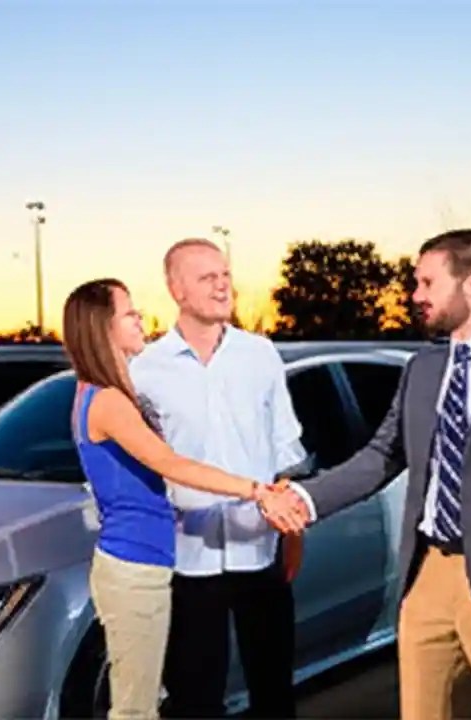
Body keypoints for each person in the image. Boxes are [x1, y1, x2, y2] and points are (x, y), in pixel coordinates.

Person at [269, 229, 471, 720]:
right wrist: (305, 496)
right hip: (426, 578)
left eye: (426, 282)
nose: (415, 295)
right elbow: (382, 454)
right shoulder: (422, 369)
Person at [61, 277, 300, 720]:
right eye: (129, 314)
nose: (140, 320)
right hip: (133, 566)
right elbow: (172, 464)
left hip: (143, 561)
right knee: (136, 709)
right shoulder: (108, 400)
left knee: (146, 701)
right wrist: (254, 489)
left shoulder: (103, 391)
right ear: (103, 327)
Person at [130, 238, 306, 719]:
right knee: (195, 696)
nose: (222, 284)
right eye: (207, 277)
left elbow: (284, 444)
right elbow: (144, 465)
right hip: (189, 559)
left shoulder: (261, 354)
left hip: (260, 549)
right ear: (176, 289)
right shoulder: (145, 371)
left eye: (225, 274)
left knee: (273, 690)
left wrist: (293, 532)